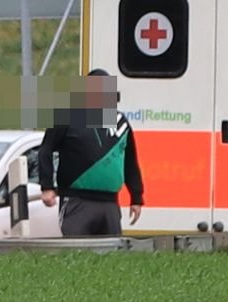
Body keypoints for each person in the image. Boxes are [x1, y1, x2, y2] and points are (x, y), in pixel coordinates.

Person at [34, 69, 145, 239]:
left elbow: (130, 161)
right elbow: (45, 150)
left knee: (112, 256)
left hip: (110, 203)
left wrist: (136, 197)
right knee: (77, 253)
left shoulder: (120, 123)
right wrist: (47, 186)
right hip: (77, 201)